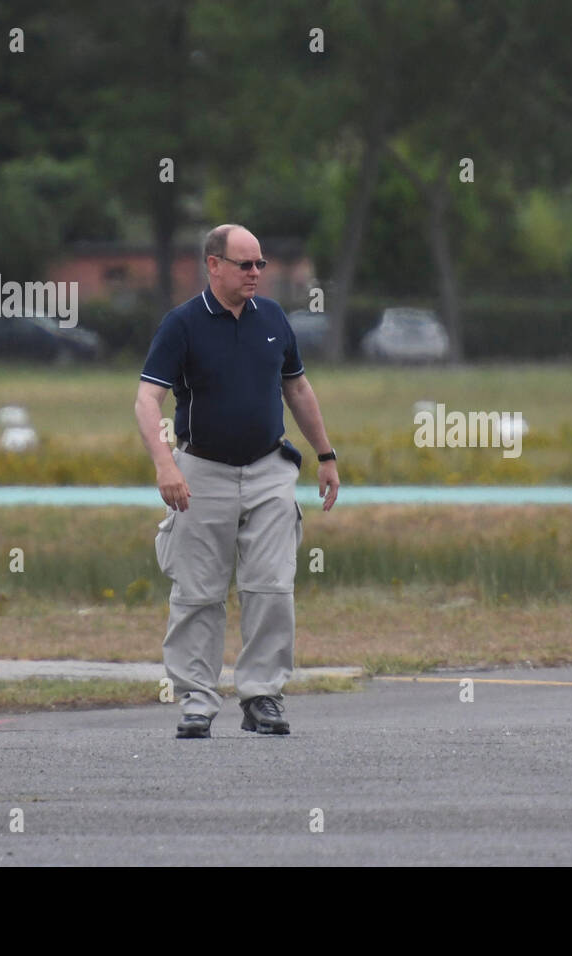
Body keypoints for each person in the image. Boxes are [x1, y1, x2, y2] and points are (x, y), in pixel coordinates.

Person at [134, 224, 340, 739]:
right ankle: (198, 701)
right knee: (198, 593)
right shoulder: (181, 325)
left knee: (271, 587)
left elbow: (298, 388)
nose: (255, 273)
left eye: (260, 265)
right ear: (213, 265)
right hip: (201, 471)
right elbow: (146, 399)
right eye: (245, 264)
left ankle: (262, 696)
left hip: (270, 468)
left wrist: (326, 454)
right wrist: (165, 464)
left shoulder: (272, 318)